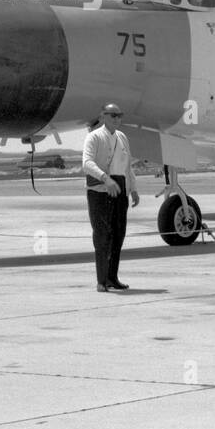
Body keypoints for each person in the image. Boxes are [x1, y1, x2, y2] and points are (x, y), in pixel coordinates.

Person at [83, 103, 140, 292]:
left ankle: (112, 277)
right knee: (102, 235)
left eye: (119, 115)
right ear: (103, 116)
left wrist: (133, 189)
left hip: (120, 188)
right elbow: (87, 163)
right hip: (100, 190)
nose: (117, 119)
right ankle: (101, 281)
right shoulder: (94, 137)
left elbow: (127, 166)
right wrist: (105, 179)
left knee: (118, 234)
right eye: (113, 115)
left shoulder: (122, 137)